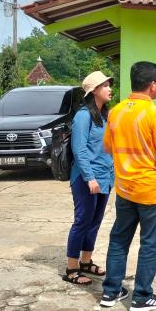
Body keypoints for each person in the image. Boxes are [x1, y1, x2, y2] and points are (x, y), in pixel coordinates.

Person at [100, 61, 156, 311]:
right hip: (151, 190)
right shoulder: (155, 114)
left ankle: (111, 291)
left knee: (119, 240)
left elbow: (108, 148)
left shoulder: (116, 112)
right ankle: (142, 296)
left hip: (124, 189)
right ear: (153, 85)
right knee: (151, 244)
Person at [63, 71, 114, 285]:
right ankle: (72, 268)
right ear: (94, 91)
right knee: (82, 221)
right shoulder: (83, 116)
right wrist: (90, 177)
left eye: (109, 85)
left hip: (105, 177)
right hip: (86, 179)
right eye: (105, 85)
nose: (110, 88)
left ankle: (86, 262)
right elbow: (79, 149)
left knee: (95, 222)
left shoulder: (105, 116)